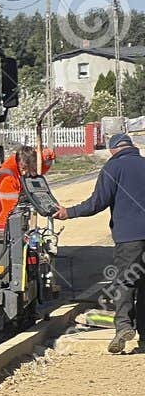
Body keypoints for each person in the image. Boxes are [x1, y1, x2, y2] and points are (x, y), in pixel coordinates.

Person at [55, 132, 145, 353]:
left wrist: (69, 212)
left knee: (125, 282)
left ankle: (123, 326)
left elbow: (97, 203)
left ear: (113, 149)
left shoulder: (113, 168)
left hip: (129, 238)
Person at [0, 143, 55, 228]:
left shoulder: (27, 161)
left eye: (32, 168)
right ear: (20, 165)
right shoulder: (7, 178)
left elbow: (39, 169)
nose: (26, 173)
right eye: (24, 169)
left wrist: (47, 159)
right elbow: (8, 210)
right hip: (4, 219)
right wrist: (1, 232)